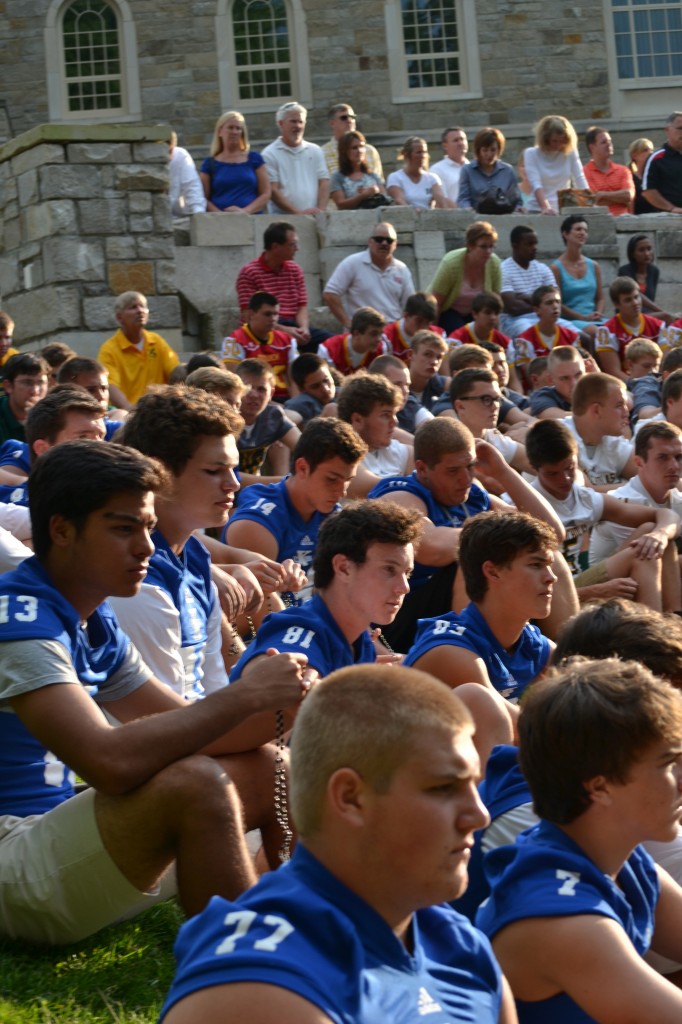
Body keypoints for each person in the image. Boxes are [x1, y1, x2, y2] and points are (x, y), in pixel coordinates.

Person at [0, 439, 313, 944]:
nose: (146, 547)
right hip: (11, 858)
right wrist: (246, 696)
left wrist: (290, 699)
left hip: (48, 840)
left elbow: (194, 728)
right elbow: (107, 760)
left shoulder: (90, 614)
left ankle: (300, 928)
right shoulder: (22, 620)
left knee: (272, 766)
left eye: (147, 527)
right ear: (60, 530)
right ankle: (246, 974)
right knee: (197, 785)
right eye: (123, 529)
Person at [159, 662, 514, 1024]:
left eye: (474, 784)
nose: (479, 815)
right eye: (443, 788)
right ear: (350, 798)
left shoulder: (460, 947)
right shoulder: (262, 986)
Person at [477, 658, 682, 1023]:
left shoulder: (616, 857)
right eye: (667, 764)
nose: (680, 780)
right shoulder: (565, 920)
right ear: (600, 787)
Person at [367, 417, 567, 651]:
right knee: (474, 555)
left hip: (451, 611)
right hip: (401, 619)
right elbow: (429, 548)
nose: (466, 478)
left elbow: (550, 533)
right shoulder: (399, 494)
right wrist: (491, 534)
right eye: (453, 471)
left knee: (545, 553)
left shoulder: (473, 495)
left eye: (470, 466)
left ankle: (569, 650)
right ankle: (474, 657)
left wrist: (503, 472)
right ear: (422, 468)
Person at [229, 501, 421, 682]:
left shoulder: (358, 639)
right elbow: (269, 671)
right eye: (389, 570)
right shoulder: (301, 636)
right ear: (343, 568)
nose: (404, 587)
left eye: (407, 573)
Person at [404, 510, 557, 708]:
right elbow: (525, 731)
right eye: (536, 565)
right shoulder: (452, 652)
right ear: (492, 572)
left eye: (549, 565)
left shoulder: (539, 649)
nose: (551, 577)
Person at [526, 418, 680, 612]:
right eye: (552, 473)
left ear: (577, 458)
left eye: (569, 468)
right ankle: (652, 635)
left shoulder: (585, 498)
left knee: (651, 536)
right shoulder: (521, 504)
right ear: (533, 468)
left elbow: (665, 514)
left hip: (580, 578)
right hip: (553, 592)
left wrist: (660, 535)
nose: (564, 479)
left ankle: (675, 620)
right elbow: (526, 588)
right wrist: (594, 591)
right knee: (644, 554)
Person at [224, 417, 367, 604]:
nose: (342, 491)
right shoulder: (256, 525)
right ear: (302, 468)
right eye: (332, 479)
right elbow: (257, 615)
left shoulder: (331, 515)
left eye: (348, 480)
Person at [590, 420, 682, 563]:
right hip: (607, 581)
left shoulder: (678, 499)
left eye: (679, 457)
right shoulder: (624, 500)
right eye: (662, 457)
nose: (674, 466)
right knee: (649, 529)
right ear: (639, 462)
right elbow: (651, 564)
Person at [235, 221, 325, 353]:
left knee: (332, 345)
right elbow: (249, 316)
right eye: (292, 245)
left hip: (294, 325)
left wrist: (304, 329)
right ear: (275, 246)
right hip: (265, 328)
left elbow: (301, 306)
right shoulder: (249, 273)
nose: (297, 248)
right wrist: (285, 330)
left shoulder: (295, 270)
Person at [323, 222, 415, 328]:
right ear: (370, 242)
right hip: (363, 332)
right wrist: (347, 322)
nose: (384, 243)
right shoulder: (352, 263)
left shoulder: (402, 269)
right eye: (379, 239)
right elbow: (329, 294)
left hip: (391, 332)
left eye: (389, 240)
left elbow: (410, 306)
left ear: (395, 245)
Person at [97, 292, 179, 410]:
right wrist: (131, 410)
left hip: (159, 411)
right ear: (120, 317)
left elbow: (174, 370)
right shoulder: (109, 350)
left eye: (143, 306)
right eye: (133, 307)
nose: (140, 311)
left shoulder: (157, 341)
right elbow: (110, 386)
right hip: (127, 416)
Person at [337, 371, 413, 492]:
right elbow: (379, 489)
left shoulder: (394, 449)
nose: (395, 422)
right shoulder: (340, 455)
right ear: (357, 420)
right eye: (385, 415)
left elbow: (433, 471)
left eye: (394, 414)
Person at [447, 368, 531, 474]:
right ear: (460, 406)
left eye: (497, 399)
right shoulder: (448, 445)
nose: (495, 406)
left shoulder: (493, 438)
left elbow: (539, 465)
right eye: (486, 399)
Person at [221, 291, 297, 401]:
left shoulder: (287, 341)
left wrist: (296, 404)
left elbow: (295, 381)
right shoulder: (235, 341)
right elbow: (235, 382)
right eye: (267, 314)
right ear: (251, 314)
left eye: (276, 314)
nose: (273, 319)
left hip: (287, 400)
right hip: (254, 399)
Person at [564, 371, 635, 488]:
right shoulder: (559, 437)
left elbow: (649, 480)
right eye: (619, 405)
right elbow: (584, 495)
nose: (626, 413)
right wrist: (629, 487)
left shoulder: (613, 441)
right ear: (596, 410)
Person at [429, 221, 502, 335]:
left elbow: (495, 303)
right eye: (483, 247)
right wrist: (432, 333)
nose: (488, 252)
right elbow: (437, 303)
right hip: (448, 310)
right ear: (470, 246)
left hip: (477, 313)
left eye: (491, 246)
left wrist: (496, 336)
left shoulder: (494, 263)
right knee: (461, 335)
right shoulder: (451, 263)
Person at [233, 359, 300, 477]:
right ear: (235, 390)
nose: (254, 395)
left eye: (261, 389)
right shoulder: (223, 421)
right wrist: (282, 483)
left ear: (271, 394)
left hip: (254, 491)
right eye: (247, 388)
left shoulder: (272, 417)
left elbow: (305, 446)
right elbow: (229, 476)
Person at [262, 102, 329, 216]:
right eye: (293, 121)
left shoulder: (316, 150)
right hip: (283, 221)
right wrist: (298, 213)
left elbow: (324, 182)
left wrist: (321, 211)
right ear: (281, 123)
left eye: (301, 122)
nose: (297, 126)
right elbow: (273, 190)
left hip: (315, 217)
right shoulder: (269, 154)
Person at [510, 285, 580, 388]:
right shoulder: (524, 340)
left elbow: (577, 372)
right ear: (537, 309)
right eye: (549, 303)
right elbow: (532, 377)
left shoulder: (572, 337)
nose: (555, 306)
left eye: (558, 302)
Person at [200, 111, 269, 215]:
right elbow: (202, 198)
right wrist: (221, 215)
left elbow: (266, 193)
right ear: (220, 131)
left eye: (238, 128)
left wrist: (245, 211)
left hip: (252, 221)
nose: (235, 132)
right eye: (230, 127)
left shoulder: (254, 159)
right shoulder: (210, 164)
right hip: (220, 223)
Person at [595, 276, 664, 379]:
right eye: (628, 300)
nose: (635, 303)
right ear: (617, 304)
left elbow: (664, 365)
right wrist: (638, 386)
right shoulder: (606, 331)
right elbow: (613, 371)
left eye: (636, 297)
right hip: (624, 387)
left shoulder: (658, 326)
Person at [499, 225, 559, 338]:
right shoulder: (503, 269)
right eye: (529, 244)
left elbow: (556, 299)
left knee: (581, 336)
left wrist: (526, 297)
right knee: (534, 335)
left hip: (546, 319)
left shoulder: (543, 268)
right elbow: (513, 307)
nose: (535, 248)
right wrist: (543, 305)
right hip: (515, 321)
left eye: (535, 243)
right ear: (515, 246)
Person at [523, 114, 588, 214]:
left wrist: (588, 201)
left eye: (562, 141)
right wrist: (545, 207)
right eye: (554, 141)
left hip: (564, 208)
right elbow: (536, 183)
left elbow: (579, 177)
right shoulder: (531, 154)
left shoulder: (570, 153)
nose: (558, 145)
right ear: (545, 138)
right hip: (538, 209)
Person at [551, 214, 606, 333]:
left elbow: (600, 298)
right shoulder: (556, 268)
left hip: (595, 319)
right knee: (598, 333)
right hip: (571, 321)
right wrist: (582, 317)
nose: (582, 233)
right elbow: (558, 303)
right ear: (565, 234)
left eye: (585, 230)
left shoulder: (593, 265)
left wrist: (599, 312)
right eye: (578, 229)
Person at [456, 127, 521, 213]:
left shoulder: (508, 171)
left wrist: (518, 208)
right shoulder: (467, 171)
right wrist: (468, 209)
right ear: (478, 151)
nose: (489, 154)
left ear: (499, 150)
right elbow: (463, 199)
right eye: (485, 150)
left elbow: (516, 199)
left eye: (493, 150)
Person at [369, 353, 433, 434]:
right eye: (397, 385)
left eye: (407, 385)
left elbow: (434, 430)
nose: (405, 391)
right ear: (376, 384)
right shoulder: (365, 410)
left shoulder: (410, 404)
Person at [619, 234, 676, 322]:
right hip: (629, 315)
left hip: (648, 315)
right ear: (632, 254)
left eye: (649, 249)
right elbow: (636, 294)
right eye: (641, 250)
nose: (647, 253)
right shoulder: (624, 271)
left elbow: (650, 299)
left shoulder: (654, 271)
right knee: (667, 317)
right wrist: (662, 312)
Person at [318, 307, 389, 375]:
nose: (379, 339)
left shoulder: (382, 351)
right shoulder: (328, 351)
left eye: (380, 334)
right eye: (374, 334)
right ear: (356, 334)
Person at [582, 125, 635, 216]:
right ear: (592, 147)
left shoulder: (623, 170)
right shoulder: (584, 173)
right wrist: (619, 198)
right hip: (600, 221)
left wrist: (602, 195)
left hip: (624, 220)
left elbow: (628, 195)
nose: (609, 144)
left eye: (610, 141)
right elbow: (591, 201)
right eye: (604, 142)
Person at [321, 103, 383, 180]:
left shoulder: (370, 151)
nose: (349, 121)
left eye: (352, 117)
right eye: (344, 118)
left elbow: (379, 182)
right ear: (332, 123)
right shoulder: (322, 153)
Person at [329, 130, 387, 210]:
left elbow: (385, 199)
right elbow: (341, 204)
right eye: (354, 148)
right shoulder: (337, 178)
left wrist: (375, 192)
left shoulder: (372, 176)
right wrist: (362, 196)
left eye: (361, 146)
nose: (359, 151)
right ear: (345, 151)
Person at [386, 136, 447, 209]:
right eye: (418, 152)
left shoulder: (432, 178)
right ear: (407, 155)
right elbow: (399, 201)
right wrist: (414, 212)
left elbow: (441, 202)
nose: (423, 156)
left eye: (424, 152)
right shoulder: (395, 177)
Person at [0, 353, 49, 445]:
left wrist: (39, 422)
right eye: (27, 382)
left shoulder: (56, 415)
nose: (35, 391)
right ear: (8, 386)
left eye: (41, 382)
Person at [382, 292, 442, 363]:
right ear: (406, 316)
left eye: (428, 323)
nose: (423, 328)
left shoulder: (438, 335)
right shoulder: (387, 337)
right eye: (419, 321)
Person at [642, 111, 682, 214]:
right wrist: (672, 209)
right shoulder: (657, 158)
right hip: (669, 220)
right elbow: (648, 191)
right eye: (680, 128)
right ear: (667, 130)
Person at [529, 345, 585, 420]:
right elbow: (552, 416)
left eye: (578, 375)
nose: (574, 383)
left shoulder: (595, 389)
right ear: (550, 380)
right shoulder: (543, 395)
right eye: (565, 378)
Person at [284, 353, 336, 426]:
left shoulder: (346, 393)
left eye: (326, 380)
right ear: (301, 389)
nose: (325, 389)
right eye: (315, 386)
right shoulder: (300, 406)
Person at [407, 329, 449, 411]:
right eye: (427, 354)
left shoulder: (445, 386)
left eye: (439, 357)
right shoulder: (395, 386)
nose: (434, 362)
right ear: (411, 355)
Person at [168, 130, 206, 216]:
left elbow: (192, 187)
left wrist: (199, 214)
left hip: (176, 218)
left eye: (170, 151)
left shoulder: (181, 156)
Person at [430, 125, 470, 206]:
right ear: (445, 146)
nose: (460, 143)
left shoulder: (473, 167)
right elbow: (443, 199)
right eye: (455, 140)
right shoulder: (437, 170)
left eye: (462, 139)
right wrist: (465, 213)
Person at [628, 136, 657, 214]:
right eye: (645, 150)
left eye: (651, 150)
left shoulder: (655, 177)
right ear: (634, 155)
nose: (650, 153)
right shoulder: (629, 178)